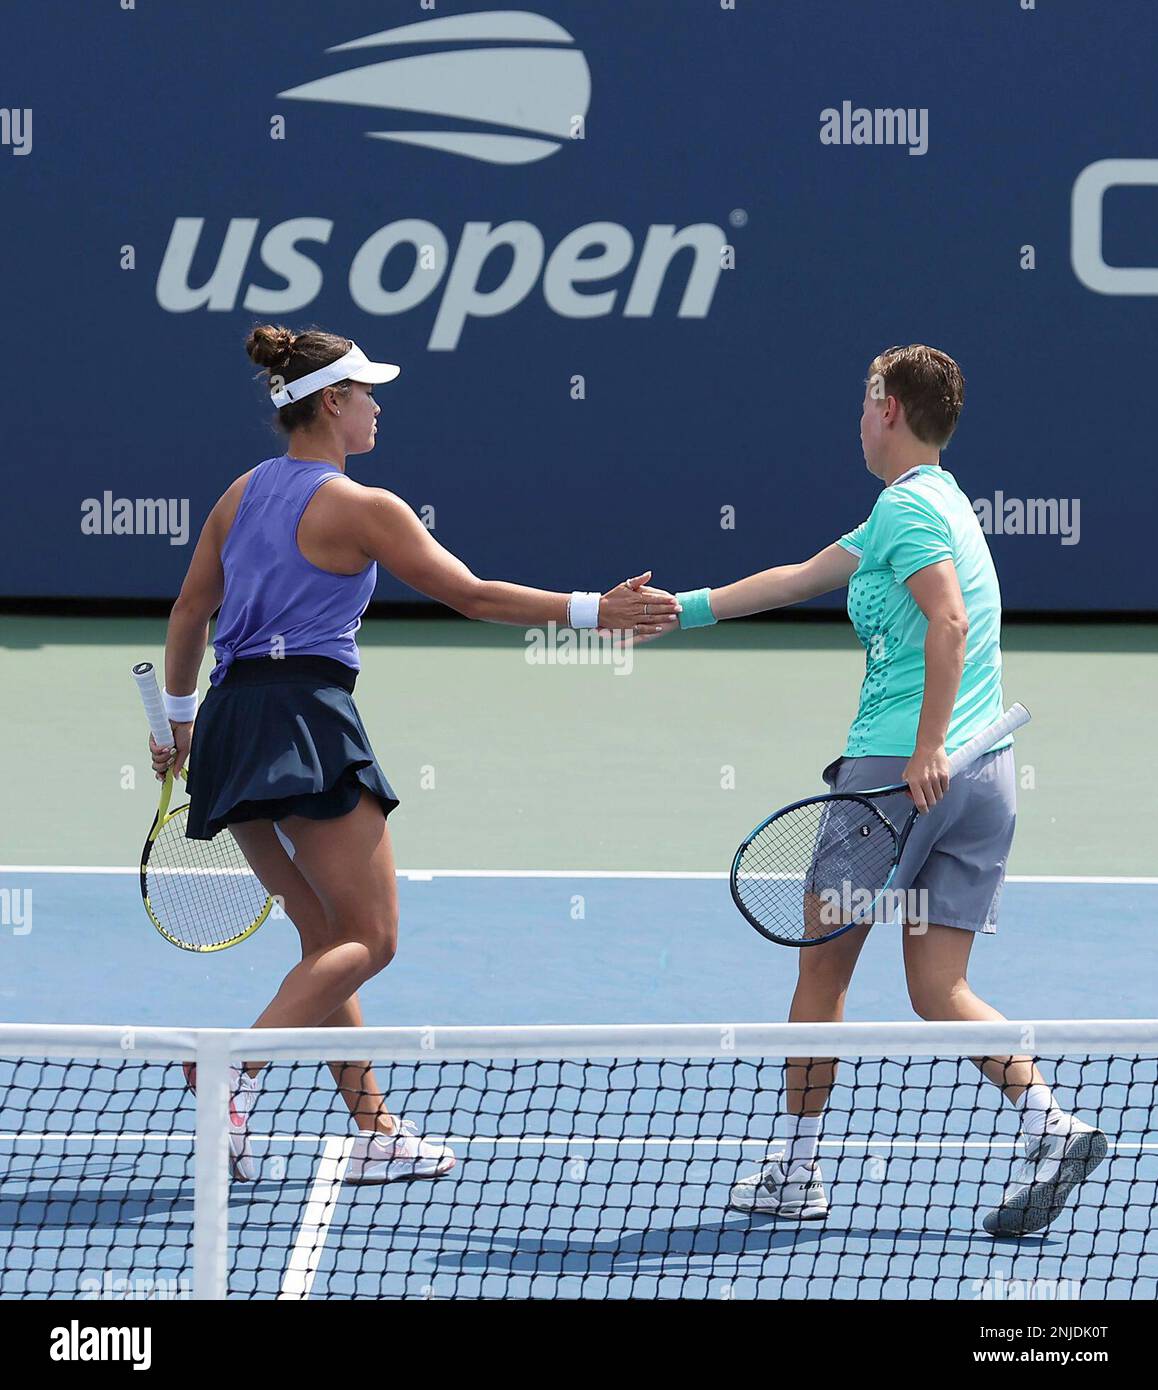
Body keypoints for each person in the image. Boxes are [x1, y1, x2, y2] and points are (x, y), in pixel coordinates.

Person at [151, 324, 678, 1184]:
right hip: (305, 723)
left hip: (229, 723)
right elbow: (471, 595)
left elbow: (186, 616)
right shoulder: (365, 507)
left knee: (324, 938)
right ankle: (233, 1071)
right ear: (331, 402)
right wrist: (595, 611)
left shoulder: (237, 496)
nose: (377, 406)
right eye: (365, 393)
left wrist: (176, 722)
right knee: (375, 937)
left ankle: (373, 1131)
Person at [654, 345, 1104, 1236]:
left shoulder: (906, 511)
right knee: (941, 987)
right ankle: (1051, 1127)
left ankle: (796, 1171)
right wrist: (685, 608)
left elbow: (950, 620)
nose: (857, 422)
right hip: (983, 783)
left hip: (896, 782)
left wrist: (925, 744)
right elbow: (798, 577)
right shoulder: (935, 507)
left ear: (890, 408)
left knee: (822, 970)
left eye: (864, 405)